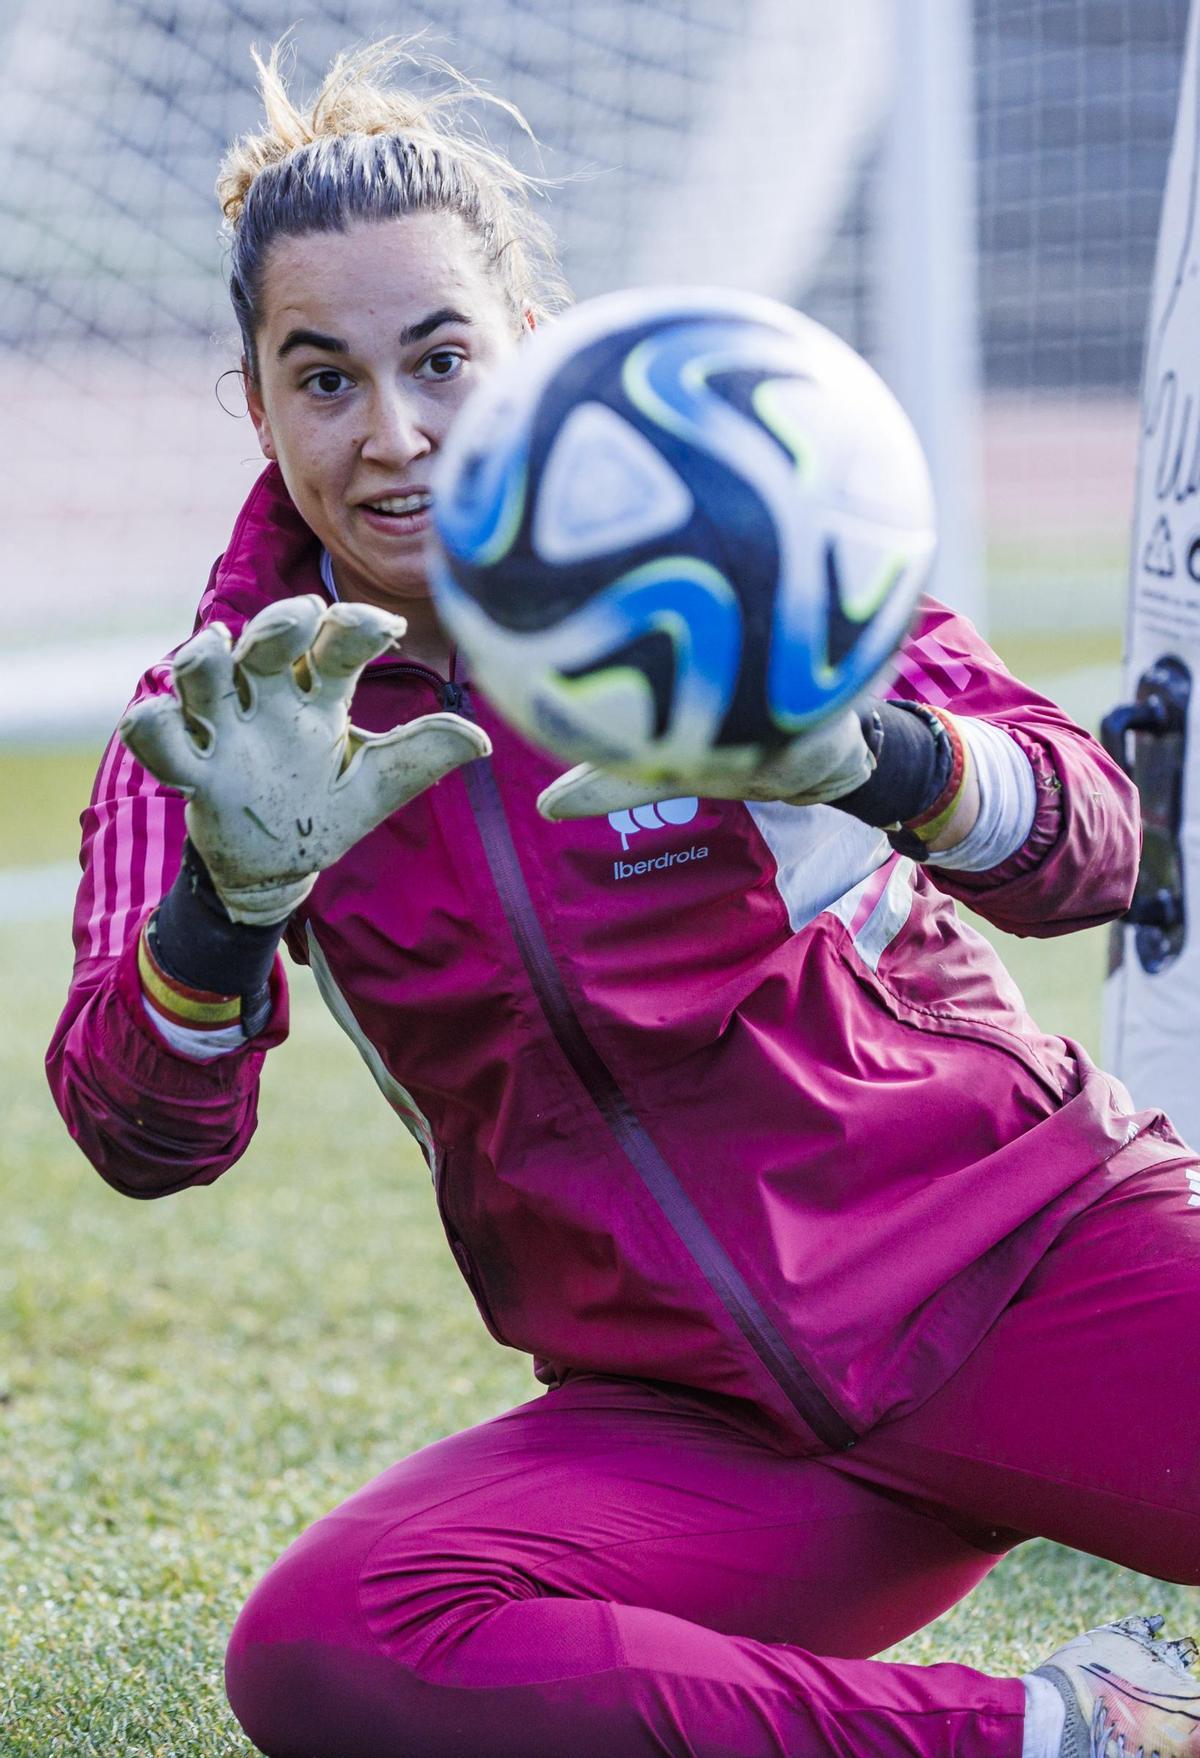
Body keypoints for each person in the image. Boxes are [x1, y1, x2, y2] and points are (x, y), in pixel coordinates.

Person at [47, 38, 1200, 1758]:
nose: (396, 435)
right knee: (332, 1647)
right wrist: (226, 907)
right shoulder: (221, 718)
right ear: (258, 399)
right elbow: (143, 1134)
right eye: (326, 378)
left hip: (1028, 1266)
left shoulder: (716, 547)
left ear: (528, 342)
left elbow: (1103, 842)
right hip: (696, 1420)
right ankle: (1076, 1733)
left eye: (442, 358)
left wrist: (873, 756)